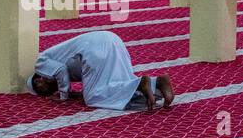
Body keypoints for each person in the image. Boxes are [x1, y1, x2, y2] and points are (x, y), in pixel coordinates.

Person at [28, 30, 174, 113]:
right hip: (112, 39)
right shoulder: (55, 59)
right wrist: (73, 93)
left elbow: (61, 70)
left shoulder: (40, 63)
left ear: (39, 76)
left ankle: (139, 84)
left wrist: (63, 96)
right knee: (119, 83)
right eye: (40, 90)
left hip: (93, 48)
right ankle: (157, 82)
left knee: (92, 97)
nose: (40, 85)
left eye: (37, 82)